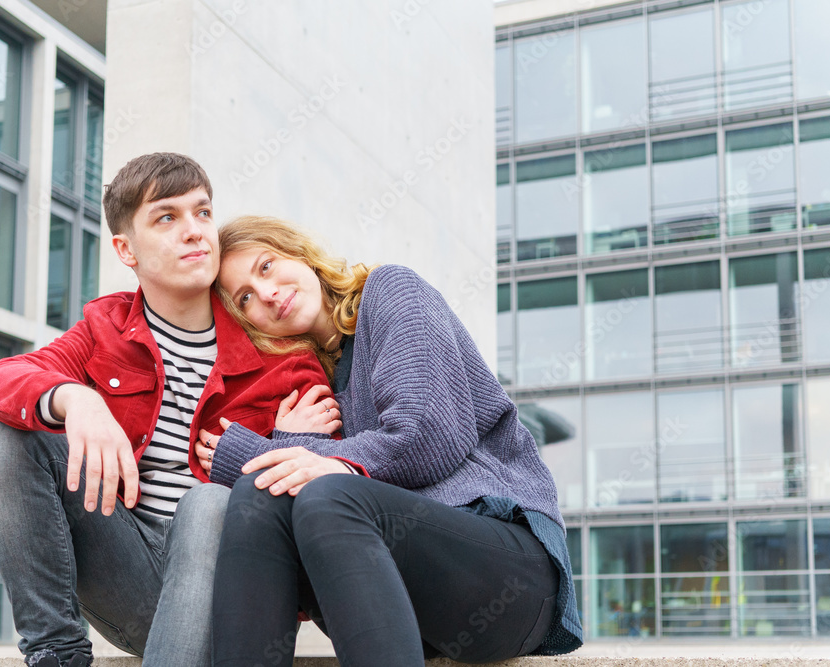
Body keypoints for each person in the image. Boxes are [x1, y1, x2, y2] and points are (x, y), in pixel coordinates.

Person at [0, 155, 343, 667]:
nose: (195, 232)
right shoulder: (106, 328)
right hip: (133, 576)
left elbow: (328, 492)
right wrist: (76, 398)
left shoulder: (281, 356)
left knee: (208, 504)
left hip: (234, 595)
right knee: (7, 441)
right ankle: (56, 654)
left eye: (203, 212)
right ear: (126, 249)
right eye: (167, 217)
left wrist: (279, 446)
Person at [196, 216, 584, 666]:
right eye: (245, 299)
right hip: (407, 607)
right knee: (259, 493)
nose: (266, 293)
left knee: (322, 494)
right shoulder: (308, 388)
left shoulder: (390, 290)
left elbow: (424, 436)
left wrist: (262, 453)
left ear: (299, 254)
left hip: (506, 573)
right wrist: (288, 442)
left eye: (266, 266)